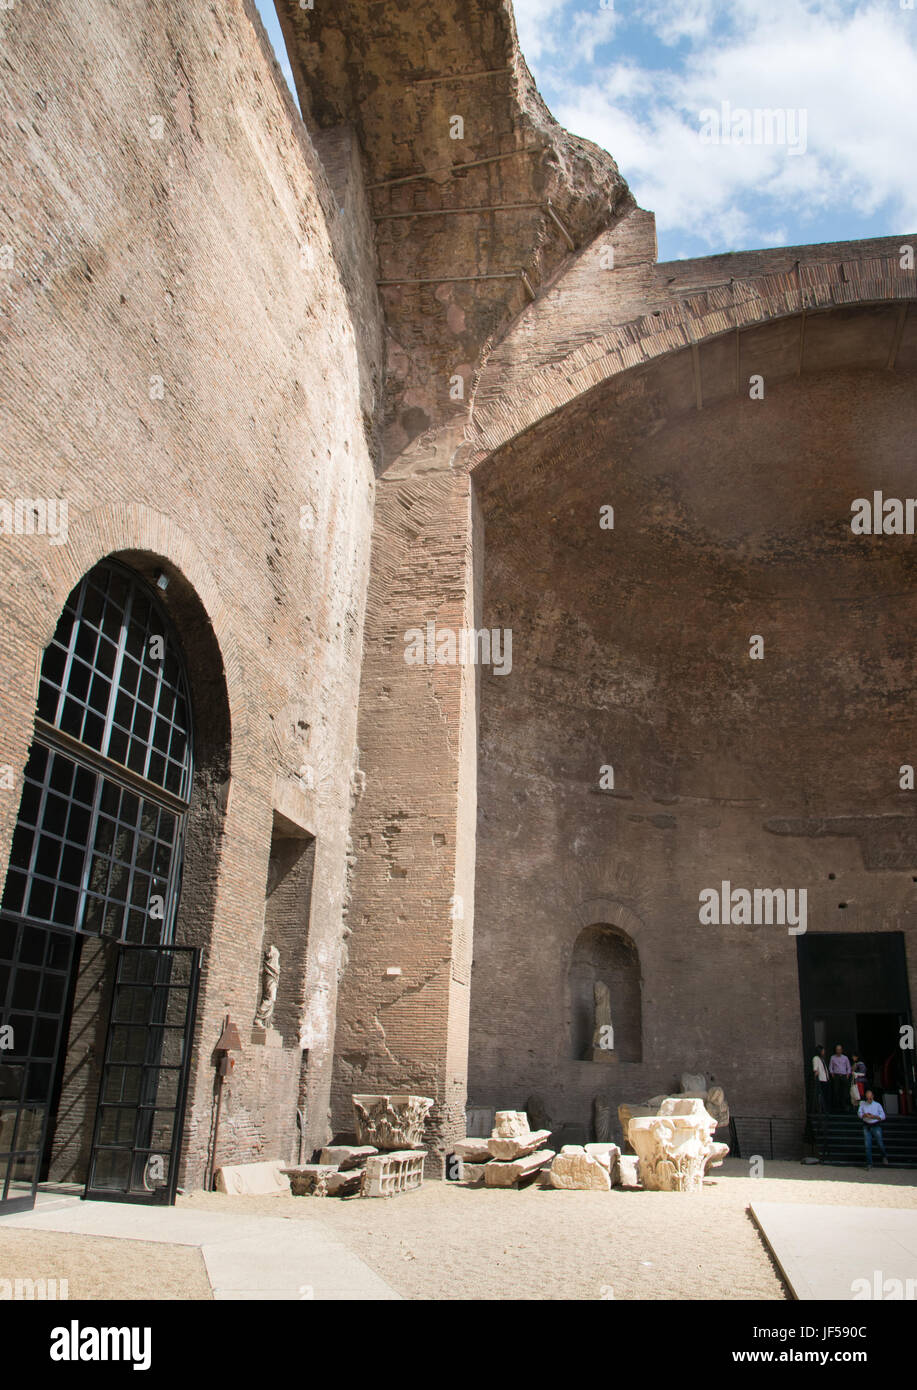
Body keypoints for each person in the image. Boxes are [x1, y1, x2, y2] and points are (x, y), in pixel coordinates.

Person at [858, 1089, 890, 1169]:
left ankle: (884, 1156)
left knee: (880, 1143)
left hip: (876, 1125)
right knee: (867, 1145)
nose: (869, 1099)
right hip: (866, 1125)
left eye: (870, 1098)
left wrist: (874, 1117)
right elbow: (859, 1113)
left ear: (873, 1096)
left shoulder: (877, 1105)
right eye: (867, 1098)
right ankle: (869, 1163)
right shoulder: (863, 1104)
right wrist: (864, 1115)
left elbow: (883, 1116)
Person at [829, 1043, 852, 1112]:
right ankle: (836, 1106)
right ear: (835, 1050)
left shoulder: (845, 1058)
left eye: (839, 1049)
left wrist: (848, 1074)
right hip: (836, 1076)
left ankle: (844, 1105)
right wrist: (832, 1073)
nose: (838, 1051)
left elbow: (848, 1067)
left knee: (844, 1091)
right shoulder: (832, 1057)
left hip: (844, 1076)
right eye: (837, 1050)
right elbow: (830, 1066)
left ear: (842, 1050)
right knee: (836, 1090)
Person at [811, 1044, 829, 1112]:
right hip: (820, 1079)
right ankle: (819, 1108)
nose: (824, 1052)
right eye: (823, 1051)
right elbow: (815, 1069)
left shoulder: (822, 1059)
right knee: (820, 1094)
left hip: (825, 1079)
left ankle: (823, 1107)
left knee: (824, 1094)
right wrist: (816, 1077)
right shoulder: (816, 1058)